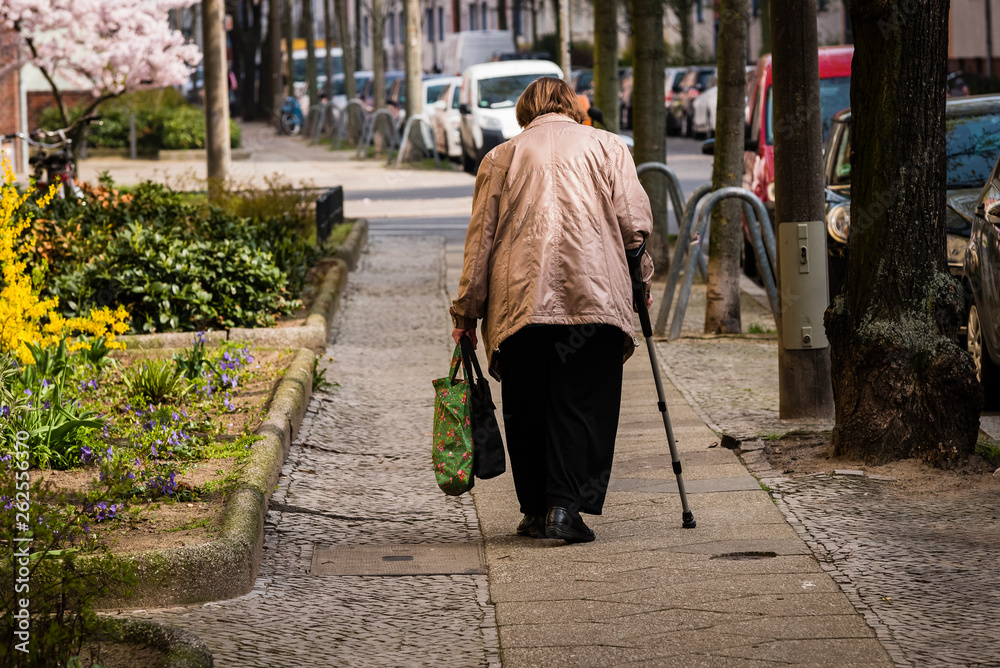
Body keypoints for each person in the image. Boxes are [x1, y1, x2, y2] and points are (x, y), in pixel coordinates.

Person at [449, 77, 654, 544]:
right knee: (583, 404)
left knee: (526, 405)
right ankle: (566, 507)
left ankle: (536, 511)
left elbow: (479, 245)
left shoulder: (500, 158)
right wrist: (641, 287)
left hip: (521, 304)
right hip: (595, 301)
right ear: (572, 107)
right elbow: (634, 230)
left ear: (525, 112)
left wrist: (466, 313)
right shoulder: (609, 147)